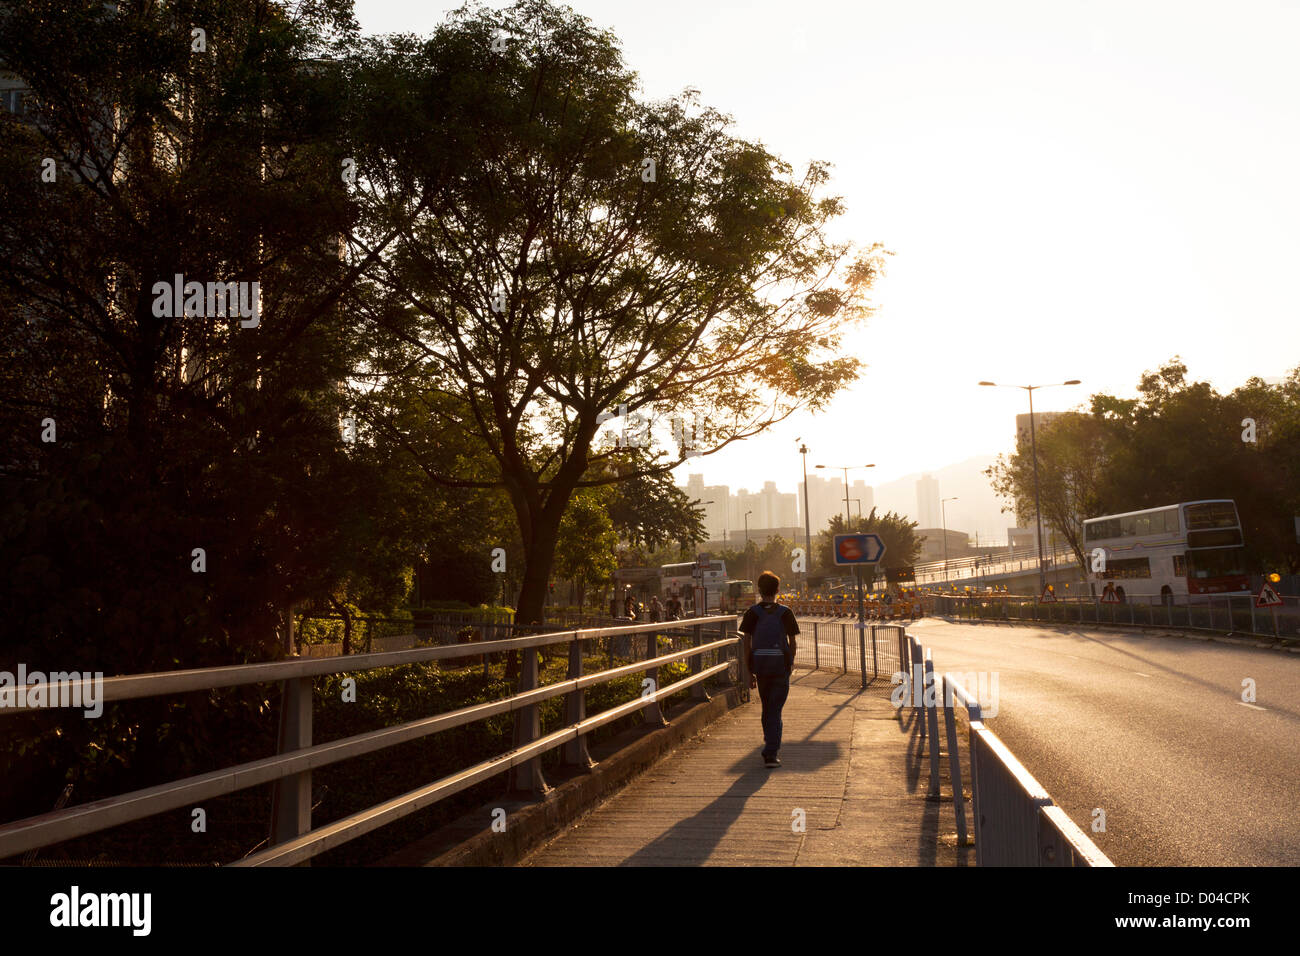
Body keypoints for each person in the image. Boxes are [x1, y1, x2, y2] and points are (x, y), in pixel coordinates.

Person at [739, 570, 799, 769]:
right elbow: (793, 642)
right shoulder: (785, 612)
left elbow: (746, 643)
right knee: (776, 710)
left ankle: (770, 744)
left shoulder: (752, 613)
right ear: (778, 590)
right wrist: (789, 663)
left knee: (767, 709)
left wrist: (749, 672)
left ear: (759, 590)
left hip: (761, 668)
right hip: (780, 668)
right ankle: (771, 752)